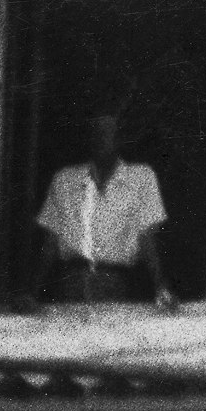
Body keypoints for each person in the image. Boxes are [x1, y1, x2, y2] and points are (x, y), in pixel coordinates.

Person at [36, 110, 174, 307]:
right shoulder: (65, 179)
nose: (100, 139)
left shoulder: (141, 178)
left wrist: (161, 286)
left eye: (107, 133)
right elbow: (50, 241)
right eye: (95, 132)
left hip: (114, 283)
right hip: (71, 282)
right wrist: (32, 291)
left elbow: (147, 239)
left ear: (120, 139)